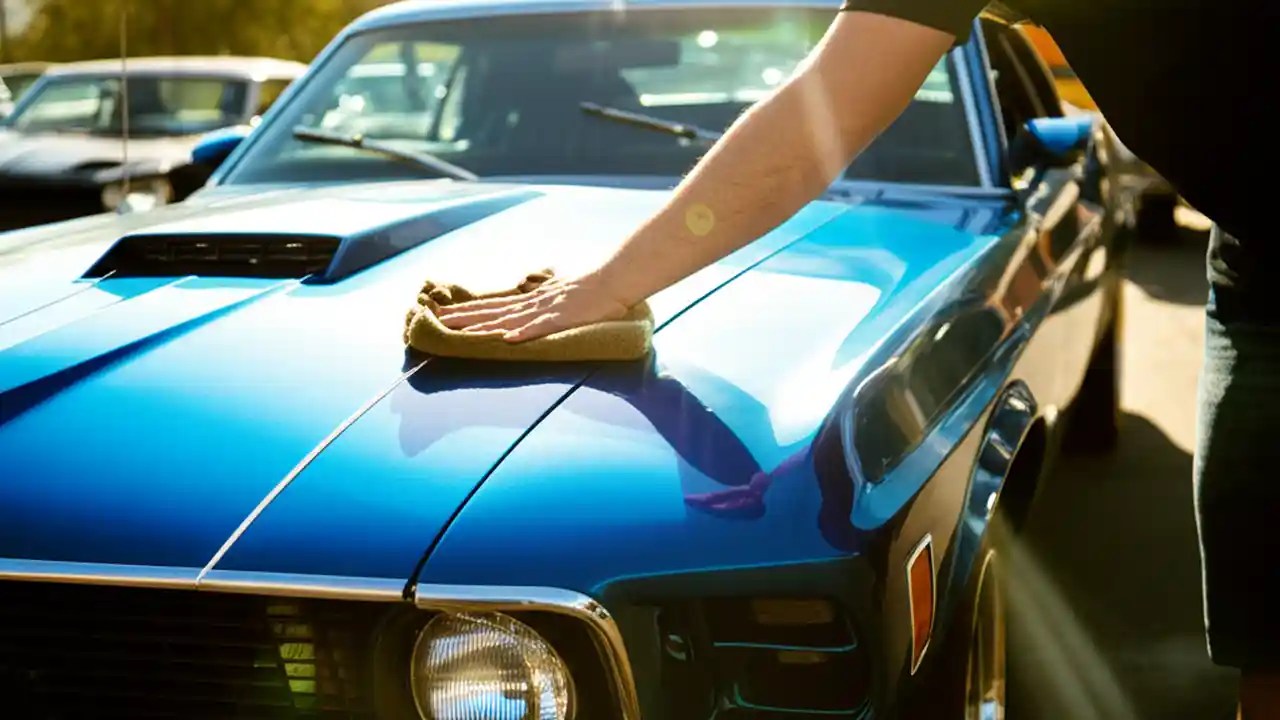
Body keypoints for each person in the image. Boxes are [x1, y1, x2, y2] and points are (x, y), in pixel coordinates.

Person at [438, 1, 1278, 714]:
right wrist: (613, 285)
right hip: (1256, 267)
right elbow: (822, 115)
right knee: (1263, 620)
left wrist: (610, 282)